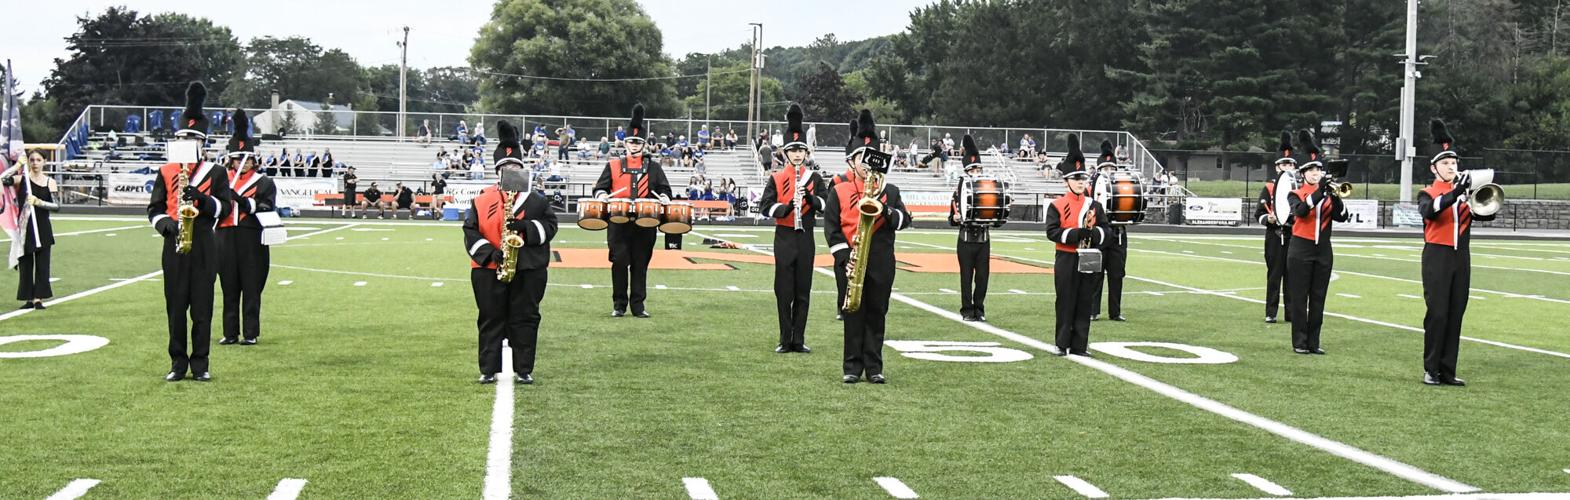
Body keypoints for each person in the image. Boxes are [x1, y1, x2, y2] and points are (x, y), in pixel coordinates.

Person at [147, 82, 232, 382]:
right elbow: (153, 208)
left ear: (202, 143)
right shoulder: (166, 171)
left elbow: (226, 209)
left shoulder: (216, 172)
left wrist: (204, 200)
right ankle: (177, 363)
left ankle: (200, 363)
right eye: (182, 137)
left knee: (202, 307)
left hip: (205, 245)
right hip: (174, 245)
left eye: (192, 139)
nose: (186, 142)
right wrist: (164, 224)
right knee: (175, 306)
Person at [464, 120, 559, 384]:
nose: (510, 170)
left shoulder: (536, 199)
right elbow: (470, 231)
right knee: (490, 318)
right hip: (489, 269)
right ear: (497, 171)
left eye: (515, 166)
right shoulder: (481, 198)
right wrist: (489, 253)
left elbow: (551, 227)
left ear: (522, 168)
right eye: (505, 167)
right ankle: (488, 368)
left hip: (528, 269)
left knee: (525, 318)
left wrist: (526, 228)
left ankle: (524, 368)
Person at [825, 110, 911, 384]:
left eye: (870, 157)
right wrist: (844, 258)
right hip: (851, 259)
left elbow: (903, 221)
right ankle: (852, 366)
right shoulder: (838, 191)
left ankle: (874, 366)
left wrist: (883, 207)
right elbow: (831, 229)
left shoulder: (891, 190)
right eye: (861, 158)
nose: (866, 163)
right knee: (852, 313)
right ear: (852, 161)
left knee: (877, 312)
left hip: (881, 260)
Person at [1418, 120, 1494, 386]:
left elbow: (1487, 214)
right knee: (1437, 313)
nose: (1451, 167)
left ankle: (1448, 370)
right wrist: (1456, 192)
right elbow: (1430, 211)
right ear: (1434, 168)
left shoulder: (1465, 193)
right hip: (1437, 256)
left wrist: (1477, 202)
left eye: (1454, 163)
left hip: (1462, 256)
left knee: (1456, 312)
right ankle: (1431, 368)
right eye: (1446, 163)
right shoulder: (1427, 192)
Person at [591, 104, 672, 318]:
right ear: (625, 143)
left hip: (646, 223)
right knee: (619, 262)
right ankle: (619, 305)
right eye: (631, 141)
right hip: (618, 222)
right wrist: (601, 195)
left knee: (640, 264)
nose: (634, 145)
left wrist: (664, 197)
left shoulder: (654, 168)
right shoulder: (613, 165)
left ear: (644, 144)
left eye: (638, 142)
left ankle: (638, 306)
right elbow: (600, 187)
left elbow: (665, 189)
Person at [758, 104, 826, 354]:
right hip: (784, 237)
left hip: (806, 237)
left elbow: (826, 204)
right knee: (783, 290)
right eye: (793, 150)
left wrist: (807, 198)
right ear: (785, 153)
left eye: (801, 150)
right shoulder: (775, 178)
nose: (797, 154)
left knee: (803, 290)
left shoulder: (815, 178)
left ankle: (799, 339)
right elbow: (765, 208)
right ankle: (785, 338)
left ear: (806, 152)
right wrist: (786, 207)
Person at [1044, 135, 1109, 357]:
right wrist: (1076, 234)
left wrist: (1094, 234)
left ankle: (1080, 345)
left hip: (1088, 256)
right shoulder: (1057, 205)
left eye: (1083, 178)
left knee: (1084, 300)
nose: (1081, 182)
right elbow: (1052, 232)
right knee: (1065, 300)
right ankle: (1061, 343)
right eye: (1076, 178)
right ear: (1066, 181)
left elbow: (1106, 231)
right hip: (1066, 258)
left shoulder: (1095, 205)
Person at [215, 109, 276, 346]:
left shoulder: (264, 182)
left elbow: (265, 207)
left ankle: (250, 333)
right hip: (224, 236)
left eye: (247, 159)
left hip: (251, 239)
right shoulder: (220, 179)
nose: (243, 163)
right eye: (238, 159)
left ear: (253, 160)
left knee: (251, 286)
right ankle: (230, 332)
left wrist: (239, 199)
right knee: (229, 286)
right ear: (231, 159)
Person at [1285, 129, 1349, 355]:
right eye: (1312, 170)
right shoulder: (1295, 193)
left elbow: (1342, 216)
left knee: (1319, 297)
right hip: (1301, 248)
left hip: (1323, 249)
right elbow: (1300, 212)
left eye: (1319, 170)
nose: (1316, 173)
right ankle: (1299, 341)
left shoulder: (1328, 193)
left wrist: (1335, 196)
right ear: (1303, 173)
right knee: (1300, 297)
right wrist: (1319, 193)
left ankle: (1314, 341)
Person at [5, 150, 62, 310]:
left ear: (44, 161)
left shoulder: (50, 182)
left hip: (42, 227)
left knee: (42, 265)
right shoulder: (22, 179)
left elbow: (57, 206)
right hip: (25, 227)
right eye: (32, 160)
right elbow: (3, 179)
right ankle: (28, 298)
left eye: (38, 160)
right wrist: (17, 165)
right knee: (25, 264)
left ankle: (39, 298)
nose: (35, 163)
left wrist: (38, 202)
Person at [948, 135, 995, 322]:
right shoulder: (958, 191)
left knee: (982, 278)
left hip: (983, 240)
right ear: (967, 171)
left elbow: (997, 218)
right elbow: (950, 217)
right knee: (966, 278)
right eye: (973, 169)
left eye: (978, 168)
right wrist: (955, 217)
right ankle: (967, 310)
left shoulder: (988, 189)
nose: (976, 171)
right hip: (965, 240)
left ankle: (979, 309)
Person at [1254, 132, 1297, 324]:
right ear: (1277, 167)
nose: (1288, 167)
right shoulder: (1269, 188)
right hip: (1275, 235)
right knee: (1274, 275)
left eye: (1291, 164)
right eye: (1284, 164)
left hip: (1294, 235)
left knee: (1293, 278)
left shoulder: (1300, 187)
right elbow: (1258, 214)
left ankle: (1291, 312)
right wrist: (1268, 219)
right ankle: (1271, 312)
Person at [1090, 140, 1129, 322]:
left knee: (1117, 274)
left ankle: (1115, 311)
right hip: (1099, 232)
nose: (1108, 171)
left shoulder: (1122, 184)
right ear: (1099, 169)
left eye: (1111, 167)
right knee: (1096, 274)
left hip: (1118, 232)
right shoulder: (1092, 184)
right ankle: (1093, 311)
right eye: (1105, 167)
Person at [827, 118, 860, 321]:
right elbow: (831, 215)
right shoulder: (838, 182)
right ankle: (842, 305)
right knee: (842, 275)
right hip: (845, 240)